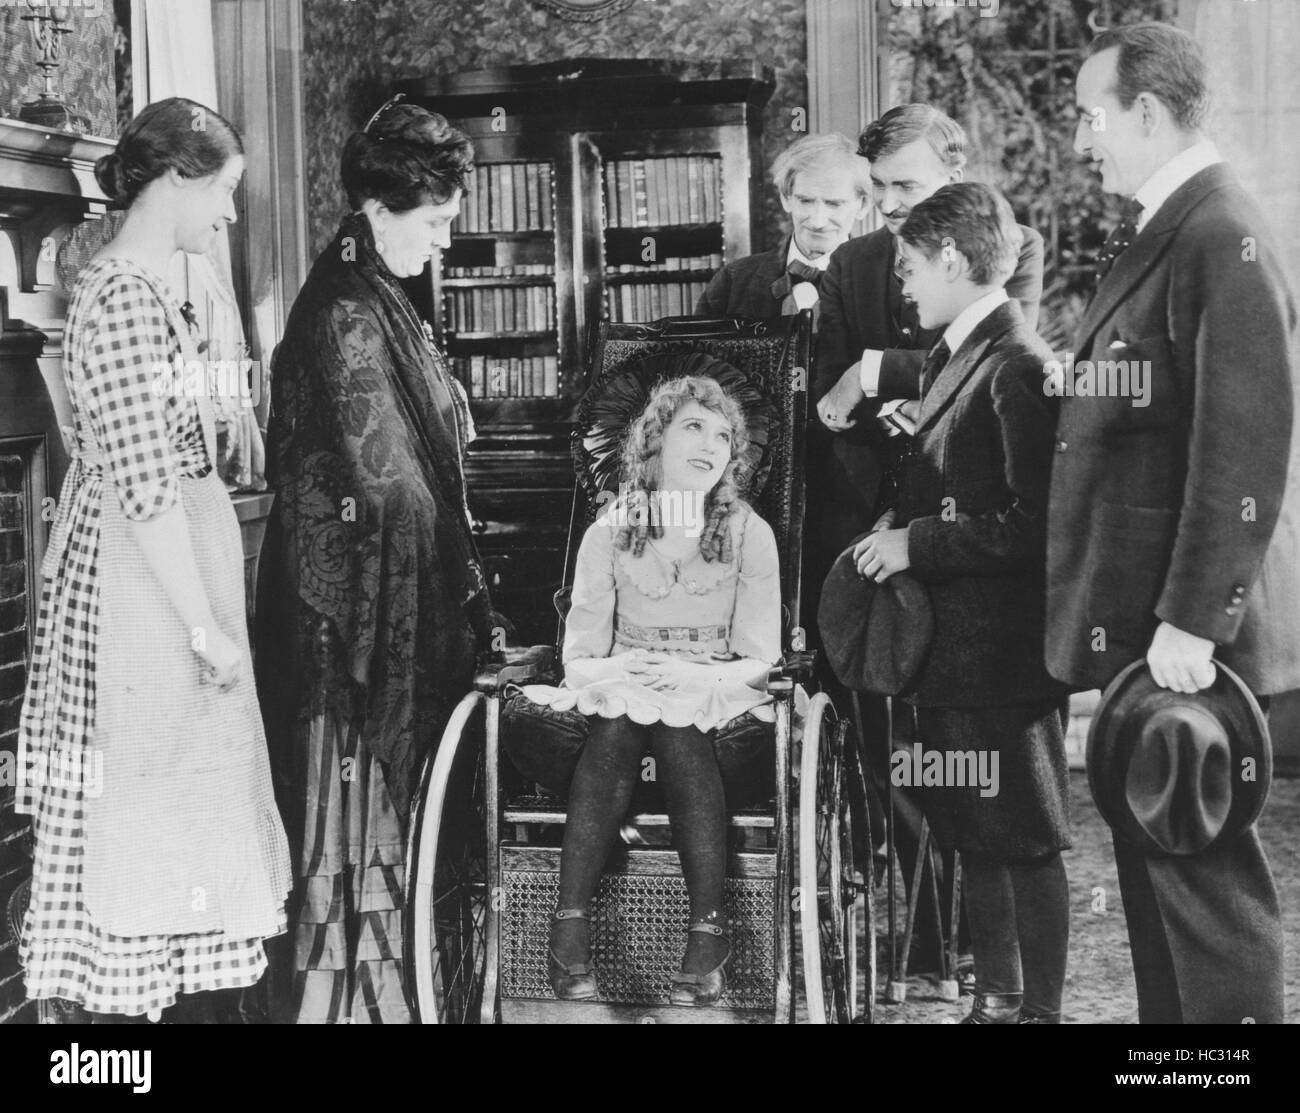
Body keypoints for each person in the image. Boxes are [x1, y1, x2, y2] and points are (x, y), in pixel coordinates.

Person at [16, 97, 291, 1023]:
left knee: (173, 804)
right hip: (146, 591)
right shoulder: (125, 296)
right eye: (224, 191)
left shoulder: (146, 287)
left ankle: (163, 1006)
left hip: (163, 578)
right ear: (177, 178)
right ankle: (123, 1028)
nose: (228, 213)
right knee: (145, 805)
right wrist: (207, 628)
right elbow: (145, 487)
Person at [1051, 22, 1298, 1024]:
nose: (1079, 140)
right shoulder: (1175, 223)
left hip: (1186, 632)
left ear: (1143, 112)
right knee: (1163, 878)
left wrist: (1193, 620)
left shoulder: (1216, 230)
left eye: (1088, 115)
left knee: (1202, 898)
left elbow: (1243, 443)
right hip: (1152, 623)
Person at [255, 98, 495, 1024]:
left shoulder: (375, 288)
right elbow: (388, 489)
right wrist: (459, 574)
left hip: (356, 607)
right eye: (435, 223)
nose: (443, 244)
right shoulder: (348, 307)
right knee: (355, 817)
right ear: (382, 209)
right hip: (343, 629)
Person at [812, 105, 1046, 974]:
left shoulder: (1006, 243)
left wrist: (878, 369)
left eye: (907, 188)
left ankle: (994, 964)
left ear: (957, 173)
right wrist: (885, 415)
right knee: (898, 759)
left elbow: (1001, 351)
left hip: (971, 567)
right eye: (876, 191)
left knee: (992, 793)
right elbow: (824, 405)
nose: (886, 211)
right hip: (879, 532)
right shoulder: (854, 261)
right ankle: (926, 945)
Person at [855, 182, 1070, 1024]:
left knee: (1027, 833)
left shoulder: (1016, 363)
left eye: (909, 265)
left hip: (1003, 655)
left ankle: (1040, 1011)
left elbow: (1039, 524)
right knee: (977, 830)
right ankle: (997, 1000)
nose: (901, 283)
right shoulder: (957, 354)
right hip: (957, 650)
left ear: (951, 258)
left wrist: (920, 542)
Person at [518, 376, 781, 1006]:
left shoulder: (749, 534)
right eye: (694, 426)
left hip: (717, 705)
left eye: (724, 436)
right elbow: (580, 656)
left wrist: (694, 678)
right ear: (655, 438)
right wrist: (632, 676)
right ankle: (570, 921)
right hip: (622, 705)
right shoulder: (611, 531)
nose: (711, 444)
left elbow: (761, 659)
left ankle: (708, 930)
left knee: (677, 721)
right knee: (627, 717)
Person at [695, 133, 869, 321]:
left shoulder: (886, 284)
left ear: (863, 206)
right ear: (786, 199)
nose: (818, 222)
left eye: (834, 204)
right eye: (806, 201)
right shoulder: (733, 281)